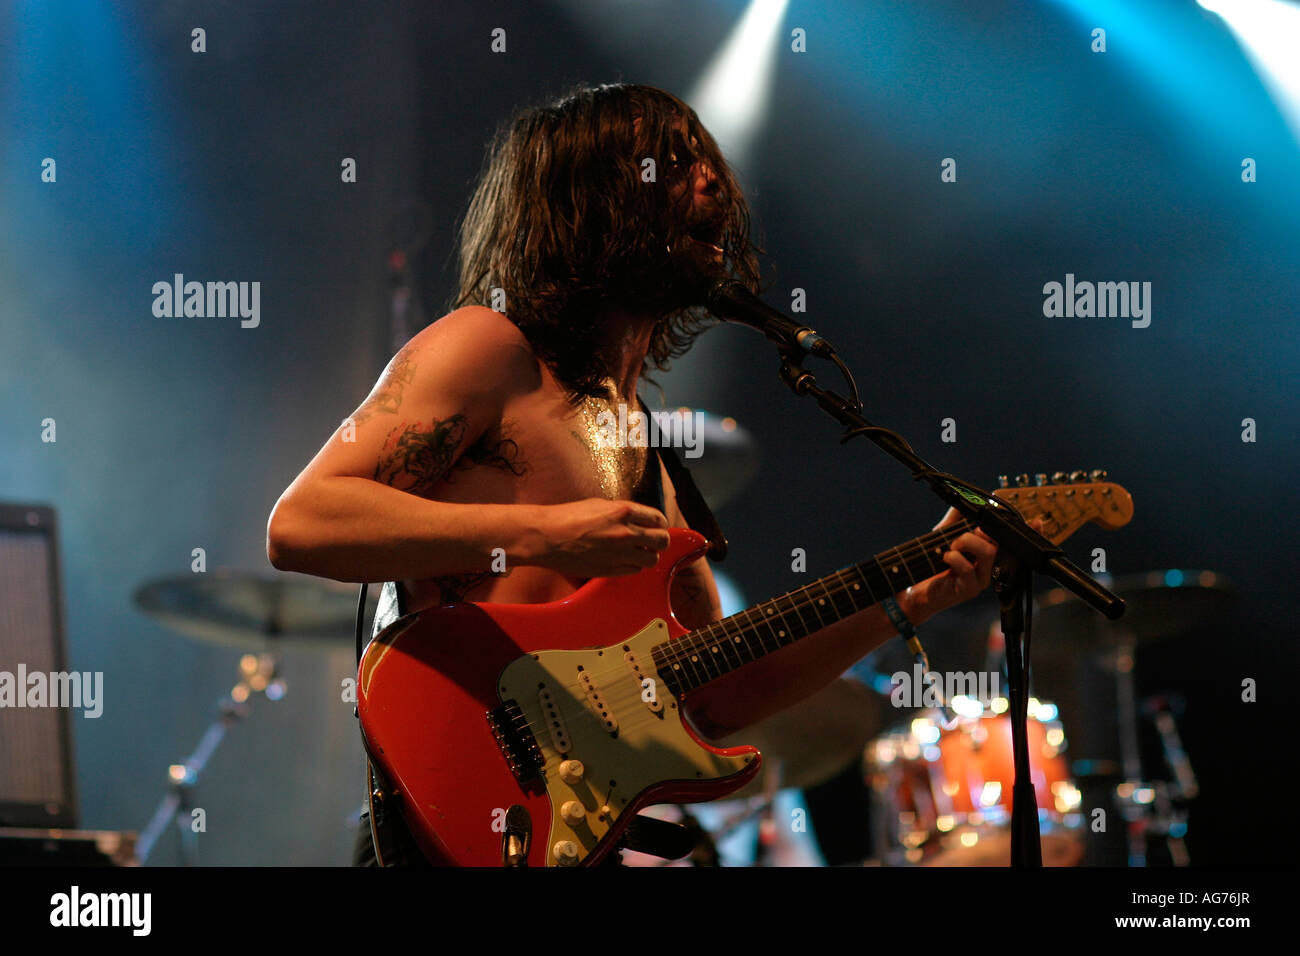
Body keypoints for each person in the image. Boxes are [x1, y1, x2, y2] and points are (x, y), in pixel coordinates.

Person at [266, 83, 1000, 865]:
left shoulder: (652, 455)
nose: (713, 181)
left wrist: (908, 604)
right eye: (674, 164)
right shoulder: (487, 349)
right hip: (446, 820)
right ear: (588, 201)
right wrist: (545, 534)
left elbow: (717, 697)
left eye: (707, 162)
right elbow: (302, 524)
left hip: (578, 837)